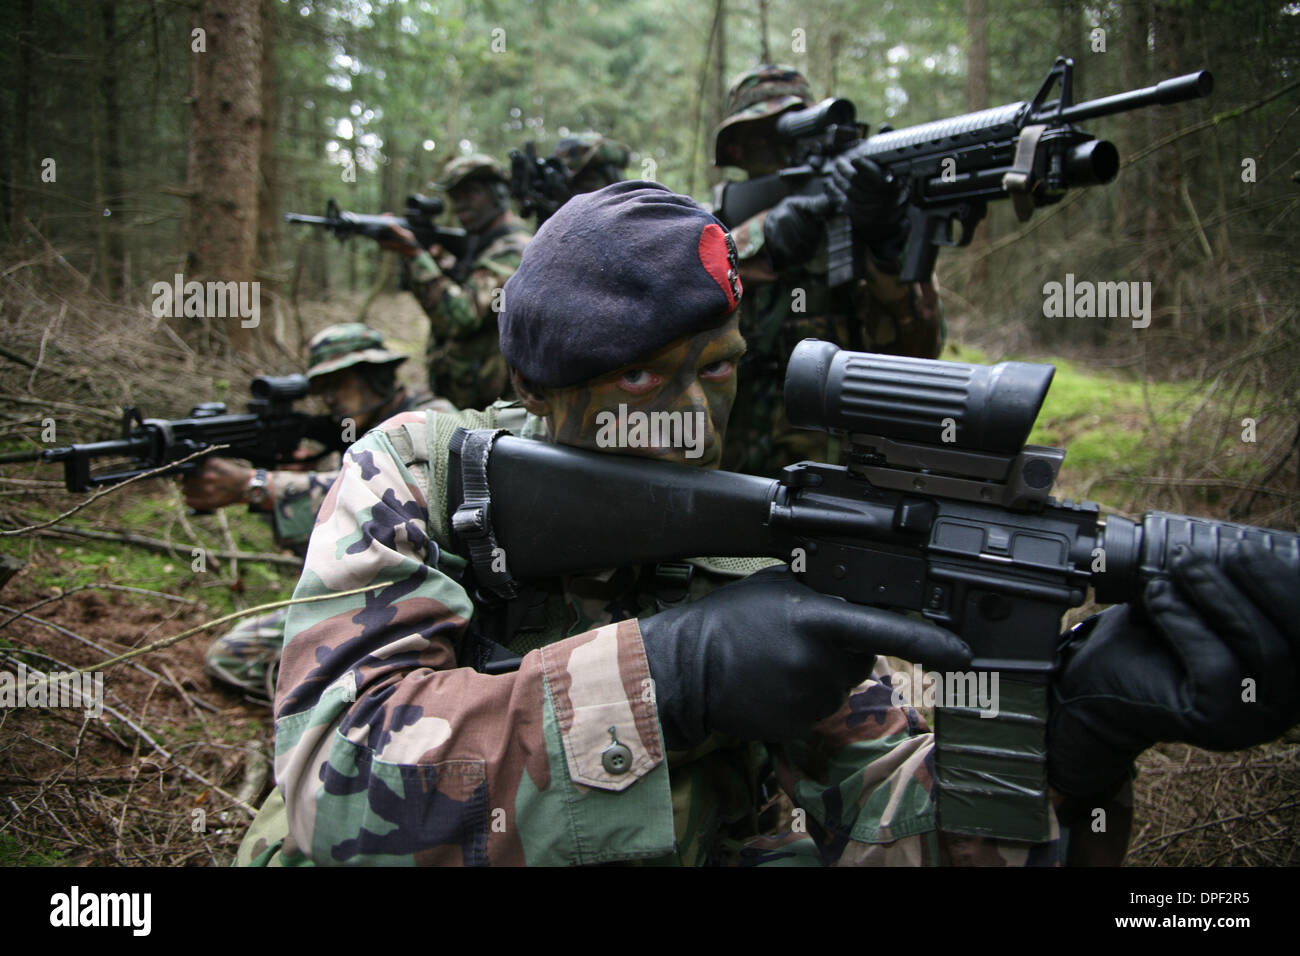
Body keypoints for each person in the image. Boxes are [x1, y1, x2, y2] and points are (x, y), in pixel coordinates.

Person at [235, 183, 1299, 866]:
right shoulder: (417, 470)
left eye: (721, 371)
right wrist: (672, 672)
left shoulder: (754, 540)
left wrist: (1074, 745)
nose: (691, 420)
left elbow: (889, 825)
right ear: (535, 381)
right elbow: (338, 785)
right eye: (645, 375)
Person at [182, 323, 452, 705]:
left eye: (338, 384)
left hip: (421, 598)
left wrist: (262, 487)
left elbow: (382, 503)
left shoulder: (430, 420)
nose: (329, 399)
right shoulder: (347, 434)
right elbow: (331, 545)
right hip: (356, 595)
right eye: (322, 389)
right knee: (232, 656)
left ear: (374, 377)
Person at [712, 65, 946, 476]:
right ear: (736, 149)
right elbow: (679, 318)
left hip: (845, 472)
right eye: (765, 136)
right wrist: (765, 237)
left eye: (792, 132)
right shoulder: (710, 229)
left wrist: (885, 245)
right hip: (734, 468)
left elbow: (924, 349)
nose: (783, 149)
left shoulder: (857, 217)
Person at [379, 154, 531, 411]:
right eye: (454, 197)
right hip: (463, 400)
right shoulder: (481, 246)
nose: (460, 205)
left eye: (470, 193)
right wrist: (436, 259)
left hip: (498, 410)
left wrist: (415, 257)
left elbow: (460, 317)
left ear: (498, 194)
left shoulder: (516, 249)